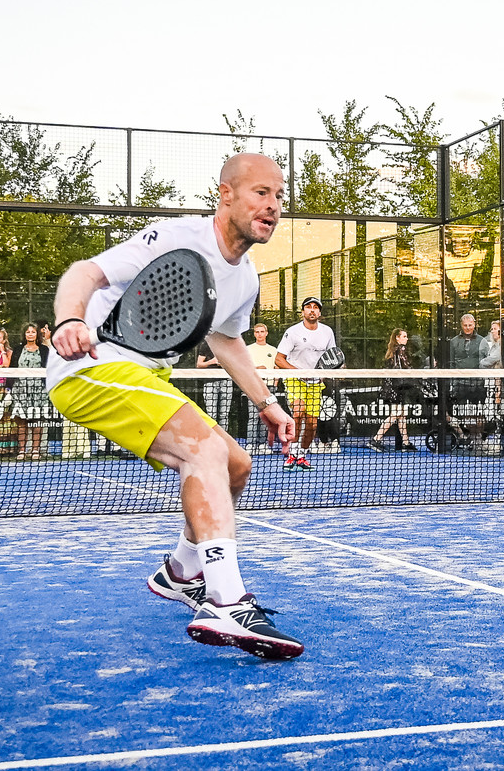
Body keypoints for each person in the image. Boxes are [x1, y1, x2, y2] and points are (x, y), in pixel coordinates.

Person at [47, 152, 301, 660]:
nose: (273, 205)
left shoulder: (246, 278)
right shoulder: (177, 238)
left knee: (236, 464)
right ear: (226, 194)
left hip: (145, 376)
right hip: (93, 367)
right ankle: (226, 602)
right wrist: (70, 320)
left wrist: (267, 402)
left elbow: (225, 339)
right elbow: (85, 272)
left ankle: (181, 572)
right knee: (205, 450)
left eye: (279, 195)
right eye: (261, 192)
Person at [275, 297, 336, 469]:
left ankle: (301, 455)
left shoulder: (327, 332)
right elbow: (279, 359)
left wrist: (324, 374)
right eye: (308, 307)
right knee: (298, 411)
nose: (312, 310)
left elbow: (332, 357)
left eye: (315, 307)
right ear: (303, 312)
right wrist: (299, 373)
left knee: (312, 424)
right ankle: (292, 453)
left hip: (315, 383)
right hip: (294, 380)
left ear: (319, 313)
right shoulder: (293, 332)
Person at [370, 328, 418, 452]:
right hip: (396, 387)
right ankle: (376, 439)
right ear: (397, 338)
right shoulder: (400, 350)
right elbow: (405, 367)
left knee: (402, 415)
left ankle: (405, 443)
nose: (406, 339)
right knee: (396, 414)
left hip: (394, 387)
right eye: (404, 336)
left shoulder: (393, 351)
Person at [10, 323, 52, 460]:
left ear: (37, 334)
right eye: (28, 332)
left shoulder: (44, 350)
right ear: (24, 334)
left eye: (33, 332)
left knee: (37, 421)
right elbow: (12, 368)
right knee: (21, 421)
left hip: (39, 389)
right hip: (20, 389)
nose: (30, 334)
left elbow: (49, 367)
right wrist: (9, 388)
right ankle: (22, 451)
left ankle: (35, 450)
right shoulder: (18, 349)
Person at [447, 313, 489, 447]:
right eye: (465, 325)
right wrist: (452, 381)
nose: (467, 327)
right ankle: (466, 437)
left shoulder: (482, 341)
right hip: (460, 382)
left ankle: (478, 437)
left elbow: (487, 360)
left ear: (474, 324)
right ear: (461, 325)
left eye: (470, 325)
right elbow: (451, 362)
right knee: (463, 412)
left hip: (478, 382)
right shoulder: (453, 342)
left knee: (479, 411)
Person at [243, 323, 278, 455]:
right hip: (253, 387)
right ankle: (251, 444)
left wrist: (275, 383)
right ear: (254, 334)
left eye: (262, 331)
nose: (259, 334)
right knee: (253, 416)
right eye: (257, 332)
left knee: (266, 416)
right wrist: (258, 368)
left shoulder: (273, 350)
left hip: (268, 387)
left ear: (266, 333)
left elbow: (277, 368)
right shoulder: (248, 349)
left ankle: (263, 444)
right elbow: (244, 367)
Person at [196, 341, 234, 431]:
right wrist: (212, 362)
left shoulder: (229, 343)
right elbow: (199, 364)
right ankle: (212, 437)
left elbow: (236, 363)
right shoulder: (206, 344)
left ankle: (223, 437)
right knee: (211, 414)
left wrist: (225, 363)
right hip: (210, 382)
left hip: (226, 381)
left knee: (224, 415)